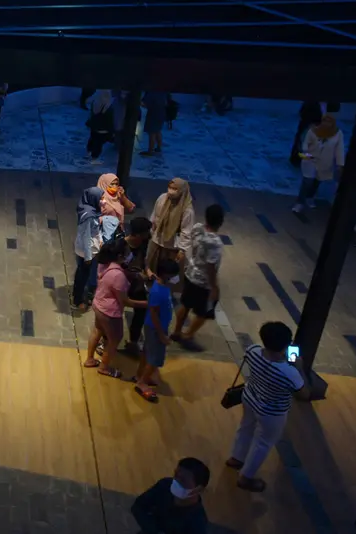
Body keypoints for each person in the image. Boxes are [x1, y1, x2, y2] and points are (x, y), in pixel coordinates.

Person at [226, 321, 307, 492]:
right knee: (263, 442)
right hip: (272, 412)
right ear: (286, 344)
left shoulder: (253, 350)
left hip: (249, 398)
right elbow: (304, 394)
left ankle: (236, 458)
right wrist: (299, 368)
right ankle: (245, 477)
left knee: (245, 428)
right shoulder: (289, 372)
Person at [84, 242, 146, 380]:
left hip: (99, 304)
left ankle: (90, 359)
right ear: (119, 256)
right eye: (127, 253)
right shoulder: (118, 276)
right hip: (110, 312)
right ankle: (104, 368)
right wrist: (147, 304)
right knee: (114, 340)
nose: (129, 256)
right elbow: (125, 301)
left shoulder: (103, 263)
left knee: (97, 331)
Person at [170, 204, 226, 351]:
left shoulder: (197, 228)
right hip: (203, 282)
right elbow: (211, 267)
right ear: (220, 221)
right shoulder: (215, 243)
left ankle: (176, 331)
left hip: (190, 273)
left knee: (185, 304)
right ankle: (187, 335)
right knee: (204, 312)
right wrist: (214, 287)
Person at [135, 258, 179, 403]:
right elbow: (154, 314)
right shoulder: (158, 291)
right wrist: (161, 335)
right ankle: (142, 382)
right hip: (155, 329)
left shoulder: (162, 286)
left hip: (155, 327)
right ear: (166, 275)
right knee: (155, 359)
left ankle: (140, 374)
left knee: (148, 352)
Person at [130, 457, 211, 534]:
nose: (176, 481)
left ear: (198, 489)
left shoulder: (198, 523)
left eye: (183, 480)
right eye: (175, 475)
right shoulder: (165, 485)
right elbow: (138, 506)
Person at [110, 217, 153, 354]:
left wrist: (148, 271)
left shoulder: (143, 242)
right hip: (121, 282)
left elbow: (144, 260)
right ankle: (107, 339)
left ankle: (133, 341)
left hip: (136, 283)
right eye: (146, 232)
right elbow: (115, 268)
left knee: (141, 311)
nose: (149, 235)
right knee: (115, 312)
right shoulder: (120, 246)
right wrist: (135, 275)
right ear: (138, 234)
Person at [292, 114, 345, 213]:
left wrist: (340, 164)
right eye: (325, 121)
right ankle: (299, 202)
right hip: (310, 159)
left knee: (317, 180)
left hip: (325, 161)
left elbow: (339, 149)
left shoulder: (338, 134)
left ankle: (310, 197)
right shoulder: (312, 131)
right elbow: (304, 144)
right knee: (307, 181)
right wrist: (306, 154)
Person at [147, 178, 194, 278]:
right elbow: (155, 215)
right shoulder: (162, 198)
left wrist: (182, 250)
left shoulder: (187, 210)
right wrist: (152, 230)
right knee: (152, 266)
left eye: (175, 189)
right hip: (157, 239)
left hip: (173, 246)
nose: (171, 191)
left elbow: (186, 231)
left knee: (167, 274)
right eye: (170, 187)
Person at [73, 187, 105, 308]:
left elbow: (96, 230)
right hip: (86, 250)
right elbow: (86, 236)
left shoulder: (92, 210)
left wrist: (100, 240)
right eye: (101, 198)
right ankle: (78, 300)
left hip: (90, 247)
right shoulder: (88, 215)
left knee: (81, 272)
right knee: (83, 276)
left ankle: (78, 294)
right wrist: (88, 256)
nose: (103, 200)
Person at [97, 173, 136, 240]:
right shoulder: (98, 198)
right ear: (105, 184)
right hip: (103, 233)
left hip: (118, 231)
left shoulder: (118, 196)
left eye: (116, 184)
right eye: (112, 184)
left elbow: (130, 209)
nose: (114, 186)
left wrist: (123, 196)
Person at [86, 90, 116, 164]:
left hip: (94, 126)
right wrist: (112, 131)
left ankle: (89, 151)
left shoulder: (95, 102)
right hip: (103, 129)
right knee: (98, 144)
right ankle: (94, 158)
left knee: (92, 139)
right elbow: (110, 121)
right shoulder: (108, 106)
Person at [139, 92, 170, 157]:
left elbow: (145, 104)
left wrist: (138, 102)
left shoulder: (151, 93)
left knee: (152, 132)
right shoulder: (162, 92)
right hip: (161, 113)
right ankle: (158, 147)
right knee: (157, 130)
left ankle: (150, 151)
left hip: (153, 114)